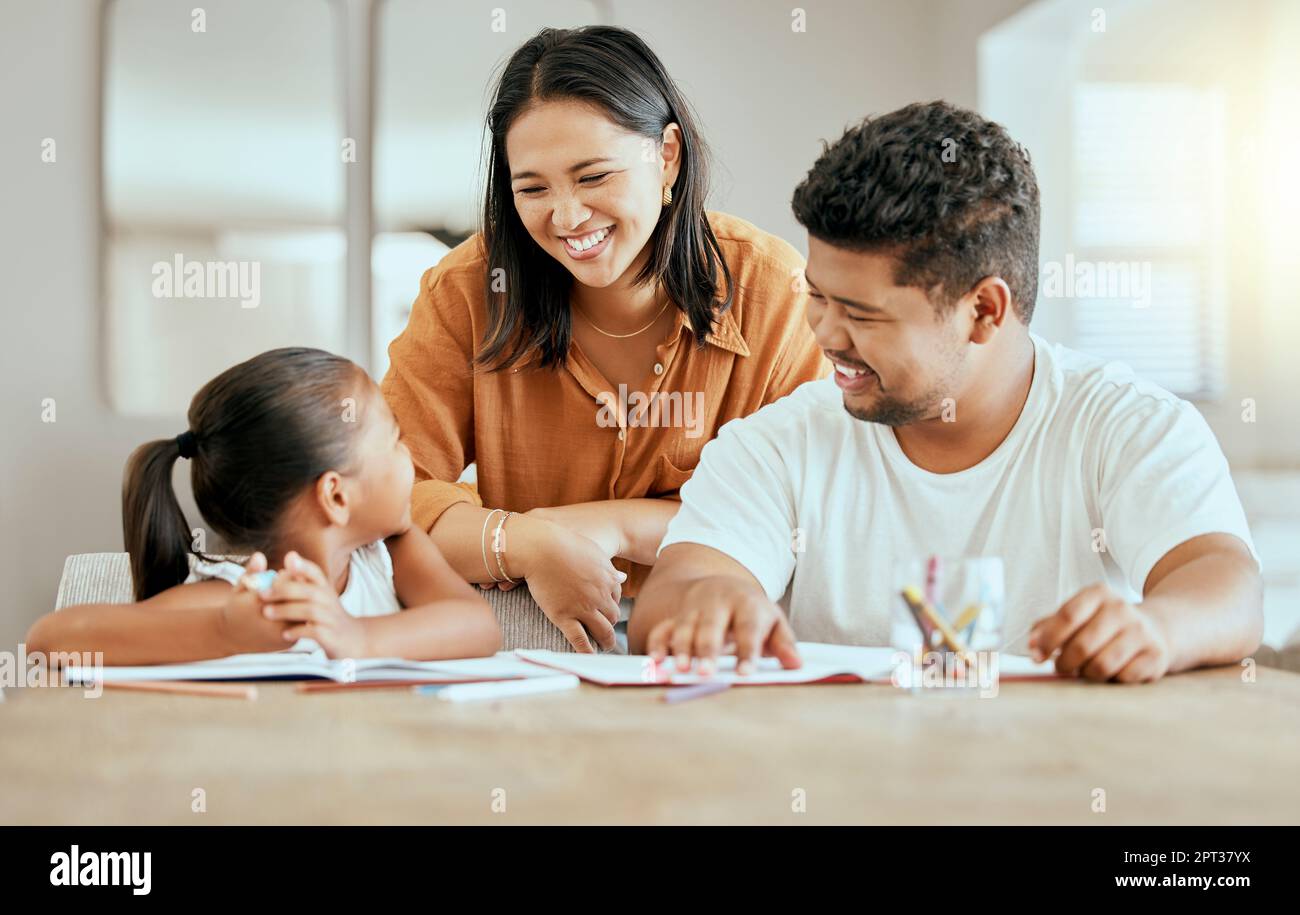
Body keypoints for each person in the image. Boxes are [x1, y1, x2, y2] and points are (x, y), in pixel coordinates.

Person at [631, 101, 1263, 683]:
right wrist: (706, 601)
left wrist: (1158, 626)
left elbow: (1224, 583)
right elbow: (672, 593)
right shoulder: (777, 444)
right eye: (817, 296)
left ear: (984, 310)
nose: (823, 333)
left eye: (863, 314)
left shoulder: (1127, 426)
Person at [381, 26, 828, 652]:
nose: (565, 218)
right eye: (532, 188)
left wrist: (607, 527)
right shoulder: (466, 290)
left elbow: (799, 516)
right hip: (527, 620)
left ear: (666, 156)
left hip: (721, 627)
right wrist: (527, 545)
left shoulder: (772, 290)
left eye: (593, 177)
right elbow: (388, 502)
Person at [27, 347, 499, 665]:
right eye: (394, 442)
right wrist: (225, 633)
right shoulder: (241, 598)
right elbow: (50, 640)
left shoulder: (393, 551)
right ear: (336, 496)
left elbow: (478, 628)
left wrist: (356, 637)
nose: (409, 457)